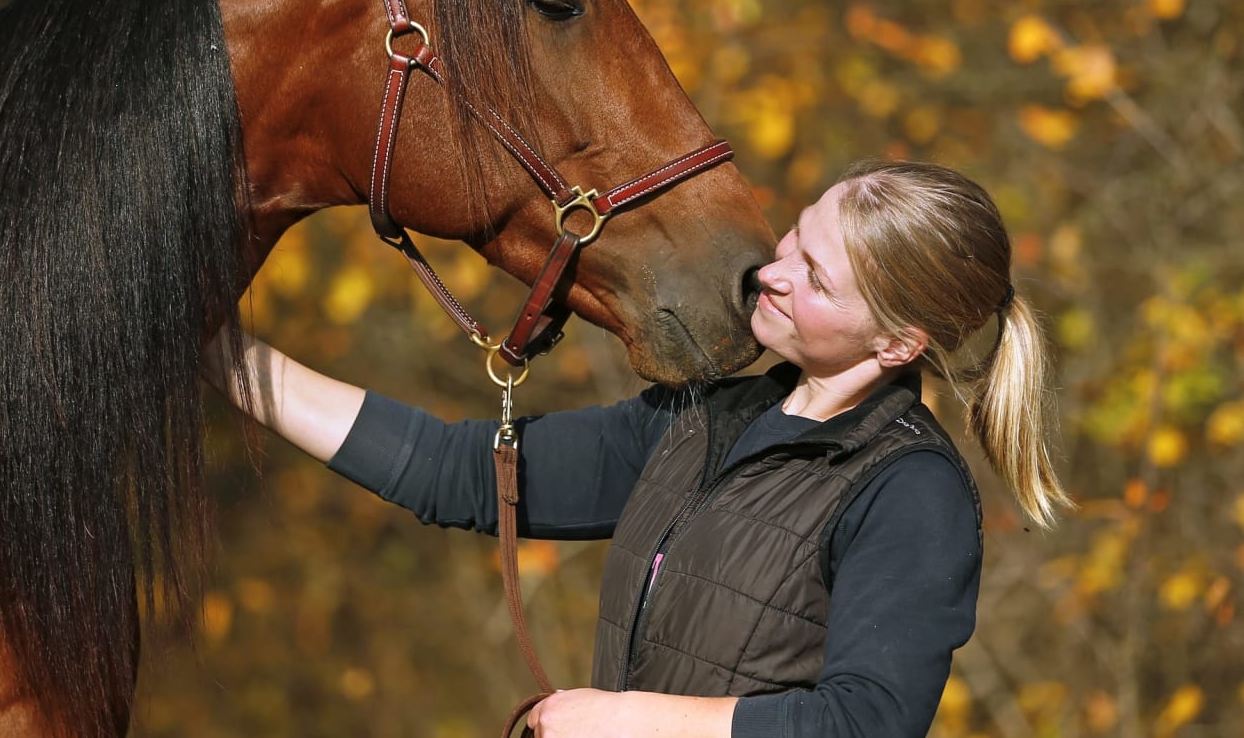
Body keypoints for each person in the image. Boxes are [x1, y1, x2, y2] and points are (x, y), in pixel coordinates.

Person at [207, 159, 1071, 737]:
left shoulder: (910, 492)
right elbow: (456, 471)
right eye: (797, 239)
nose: (774, 272)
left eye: (816, 278)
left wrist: (624, 719)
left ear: (897, 342)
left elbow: (865, 723)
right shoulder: (698, 419)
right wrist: (218, 355)